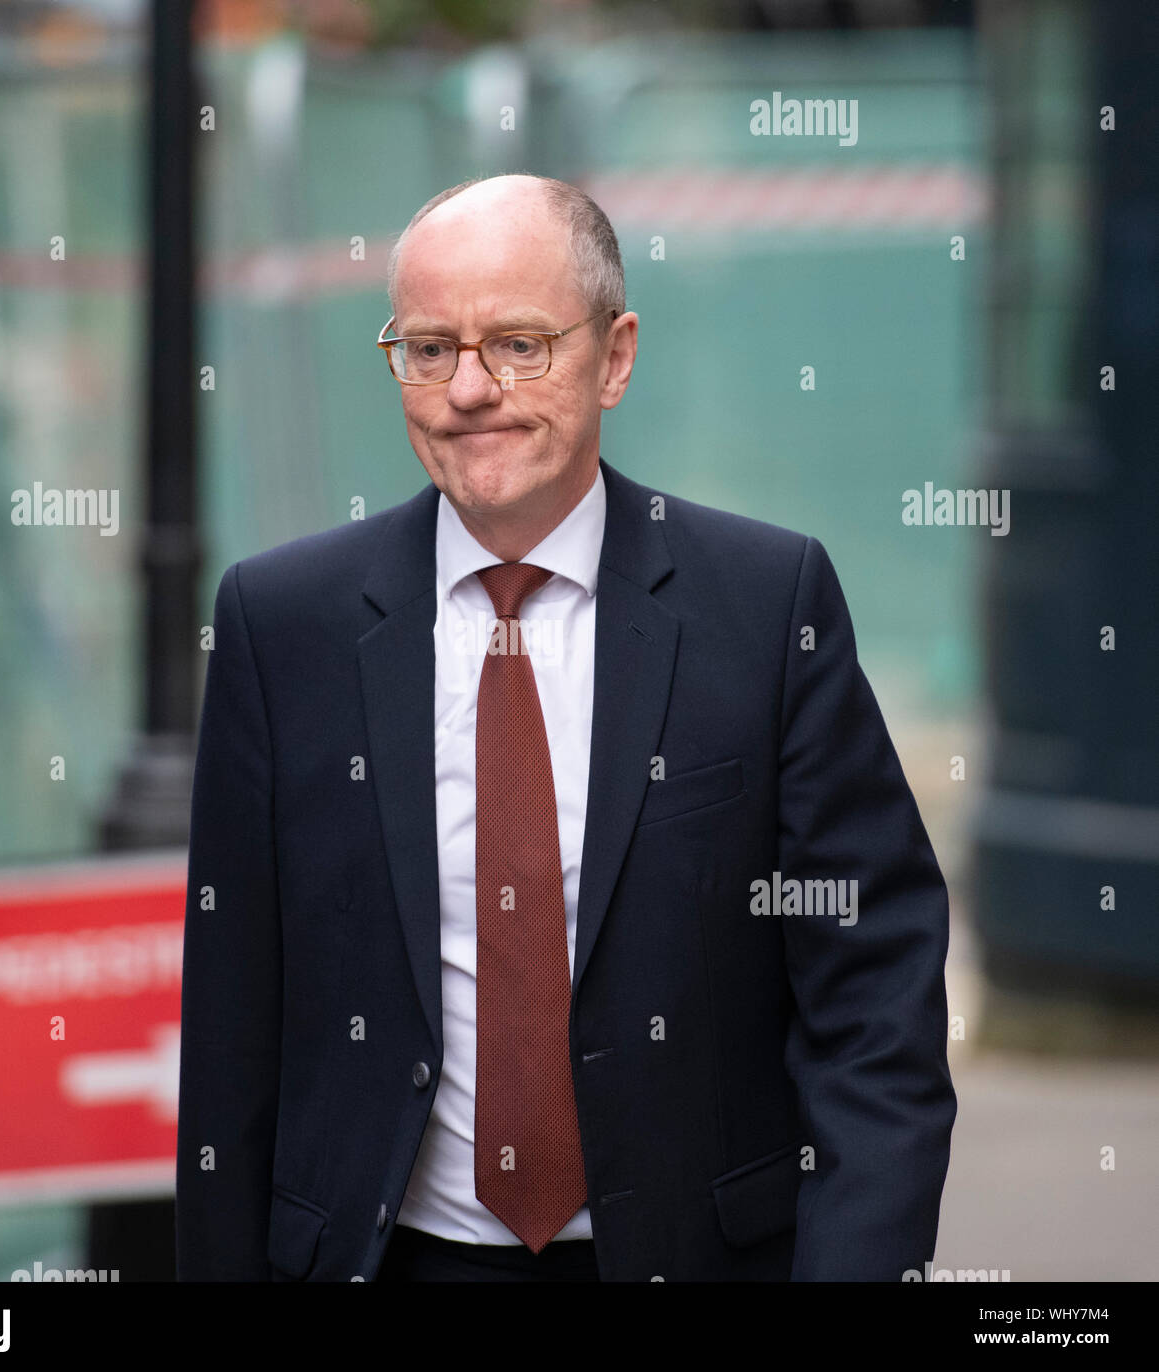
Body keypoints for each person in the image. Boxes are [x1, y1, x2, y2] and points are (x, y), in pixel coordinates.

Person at [175, 173, 957, 1283]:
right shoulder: (280, 624)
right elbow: (231, 1031)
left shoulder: (764, 603)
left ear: (617, 354)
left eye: (521, 344)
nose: (472, 389)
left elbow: (872, 998)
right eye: (430, 349)